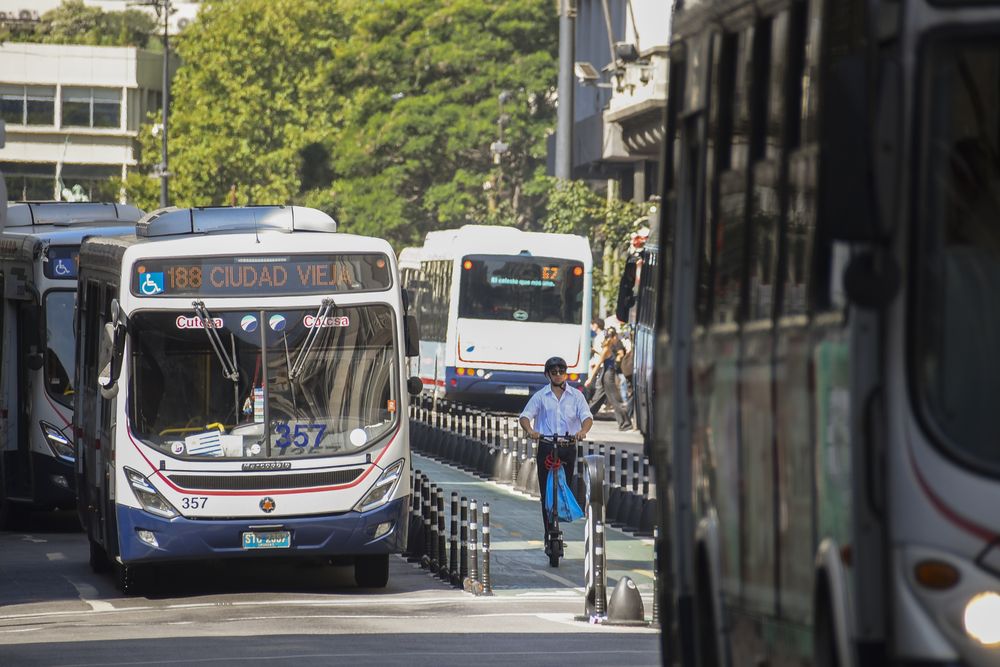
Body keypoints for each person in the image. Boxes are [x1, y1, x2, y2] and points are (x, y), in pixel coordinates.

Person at [519, 356, 593, 551]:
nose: (559, 375)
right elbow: (525, 416)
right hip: (546, 446)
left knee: (564, 487)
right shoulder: (541, 396)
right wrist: (530, 431)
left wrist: (583, 431)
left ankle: (558, 523)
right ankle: (548, 532)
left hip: (567, 447)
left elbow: (587, 417)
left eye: (562, 372)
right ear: (547, 375)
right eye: (554, 372)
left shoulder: (576, 396)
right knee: (546, 491)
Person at [586, 328, 632, 430]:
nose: (617, 338)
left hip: (607, 375)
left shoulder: (609, 348)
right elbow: (598, 365)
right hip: (608, 377)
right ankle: (625, 424)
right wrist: (590, 379)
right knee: (616, 400)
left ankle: (582, 418)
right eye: (616, 336)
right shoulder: (607, 350)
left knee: (596, 401)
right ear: (612, 337)